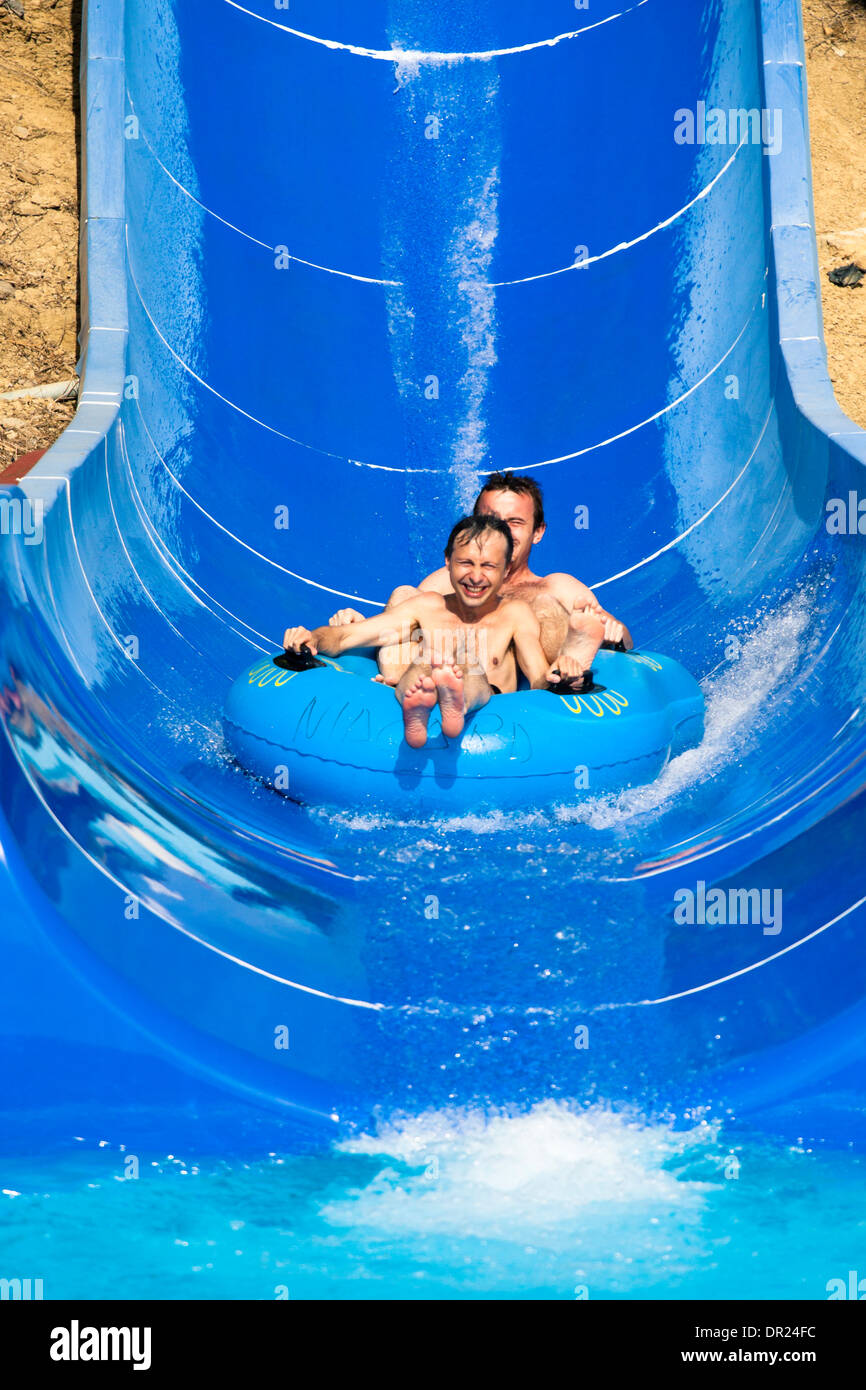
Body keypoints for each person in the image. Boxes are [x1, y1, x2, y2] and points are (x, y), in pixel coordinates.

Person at [283, 515, 598, 750]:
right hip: (427, 680)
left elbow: (540, 679)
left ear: (504, 572)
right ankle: (420, 708)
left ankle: (454, 701)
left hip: (487, 702)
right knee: (425, 665)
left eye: (488, 566)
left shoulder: (514, 614)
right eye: (465, 563)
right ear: (448, 562)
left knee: (463, 665)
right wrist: (313, 637)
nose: (475, 576)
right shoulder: (428, 607)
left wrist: (567, 674)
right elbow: (344, 638)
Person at [329, 471, 632, 686]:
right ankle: (400, 683)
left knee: (551, 610)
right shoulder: (446, 581)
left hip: (530, 686)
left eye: (514, 522)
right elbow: (401, 626)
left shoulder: (558, 586)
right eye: (492, 520)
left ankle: (568, 671)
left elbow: (621, 637)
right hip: (450, 679)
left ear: (537, 532)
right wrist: (358, 627)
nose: (501, 531)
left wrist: (615, 632)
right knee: (406, 595)